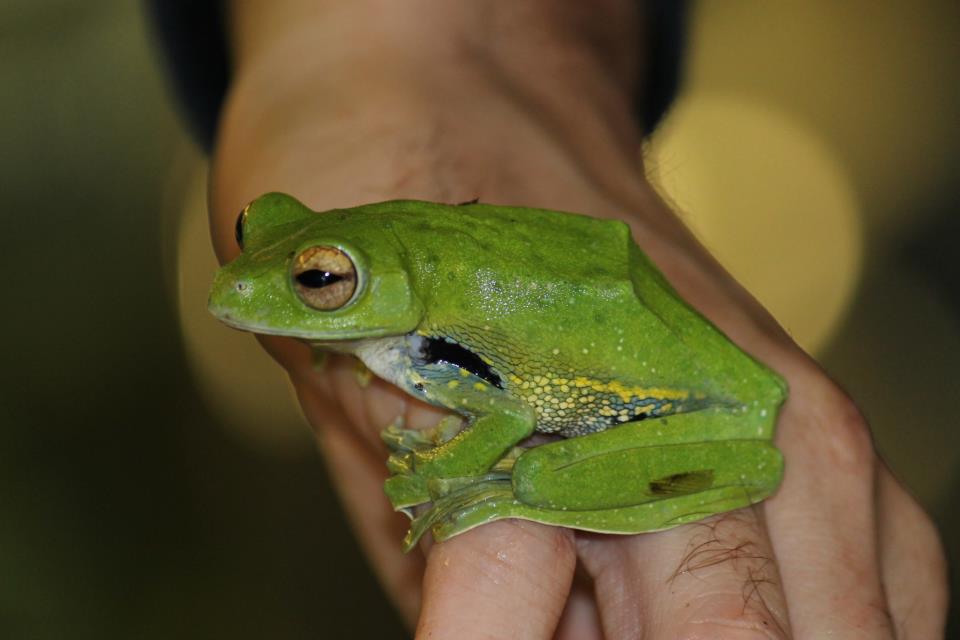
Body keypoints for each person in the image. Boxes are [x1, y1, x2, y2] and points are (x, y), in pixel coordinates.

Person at [155, 2, 948, 636]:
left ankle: (533, 493)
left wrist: (457, 472)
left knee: (533, 469)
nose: (248, 284)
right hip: (591, 294)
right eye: (267, 235)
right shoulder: (399, 312)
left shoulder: (434, 340)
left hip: (677, 404)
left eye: (318, 279)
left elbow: (506, 408)